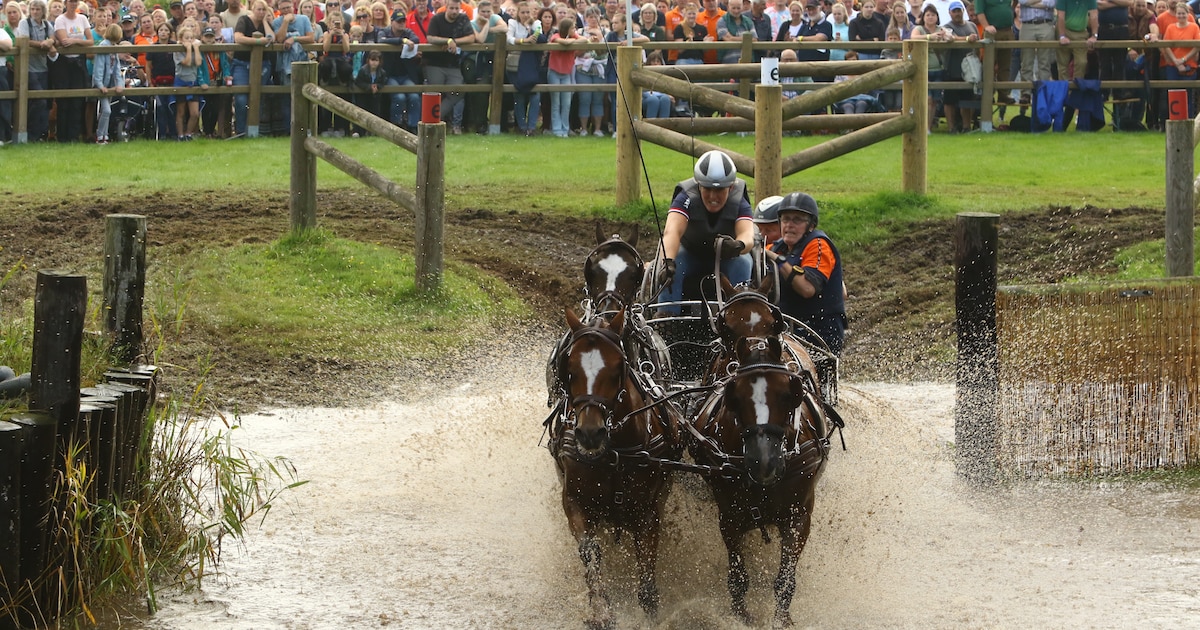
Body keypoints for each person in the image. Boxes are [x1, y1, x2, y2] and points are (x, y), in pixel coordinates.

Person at [655, 149, 754, 313]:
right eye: (707, 189)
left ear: (730, 187)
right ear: (699, 185)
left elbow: (748, 234)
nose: (713, 196)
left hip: (727, 256)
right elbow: (672, 231)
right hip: (690, 253)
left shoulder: (739, 201)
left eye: (720, 190)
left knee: (743, 262)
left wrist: (739, 245)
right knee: (673, 264)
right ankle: (667, 316)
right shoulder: (685, 196)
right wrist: (668, 262)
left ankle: (739, 315)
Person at [763, 192, 846, 359]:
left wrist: (778, 261)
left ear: (811, 225)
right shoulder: (777, 247)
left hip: (820, 332)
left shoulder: (819, 245)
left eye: (797, 220)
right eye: (786, 219)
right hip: (787, 329)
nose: (789, 225)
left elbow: (807, 289)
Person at [424, 0, 475, 135]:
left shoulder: (463, 19)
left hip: (453, 64)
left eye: (456, 9)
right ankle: (431, 122)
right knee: (435, 92)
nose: (454, 11)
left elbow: (471, 37)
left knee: (458, 91)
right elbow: (430, 38)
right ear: (446, 7)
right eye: (451, 8)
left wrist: (454, 42)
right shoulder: (437, 19)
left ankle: (434, 118)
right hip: (434, 63)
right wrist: (447, 41)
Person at [231, 0, 274, 137]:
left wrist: (265, 21)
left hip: (262, 64)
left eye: (263, 10)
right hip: (241, 63)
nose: (261, 12)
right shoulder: (244, 20)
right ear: (253, 9)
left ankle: (254, 131)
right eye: (258, 9)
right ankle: (241, 131)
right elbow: (238, 38)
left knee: (257, 97)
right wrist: (258, 41)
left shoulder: (266, 23)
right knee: (241, 98)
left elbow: (271, 38)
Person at [16, 0, 57, 142]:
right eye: (32, 9)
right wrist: (42, 44)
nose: (35, 12)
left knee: (45, 102)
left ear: (43, 11)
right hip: (28, 68)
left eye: (38, 9)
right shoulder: (24, 23)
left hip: (43, 67)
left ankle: (42, 134)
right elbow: (24, 40)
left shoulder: (46, 24)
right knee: (38, 100)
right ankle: (31, 133)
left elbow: (52, 37)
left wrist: (50, 42)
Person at [54, 0, 94, 142]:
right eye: (70, 1)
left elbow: (90, 41)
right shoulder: (60, 19)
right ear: (66, 3)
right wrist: (74, 41)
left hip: (79, 62)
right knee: (63, 101)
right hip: (64, 63)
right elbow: (64, 41)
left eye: (75, 1)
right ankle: (62, 136)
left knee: (77, 101)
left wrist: (75, 41)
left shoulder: (82, 19)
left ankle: (74, 136)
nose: (73, 4)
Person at [377, 9, 421, 132]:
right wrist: (402, 41)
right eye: (398, 21)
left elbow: (416, 39)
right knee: (399, 97)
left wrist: (406, 40)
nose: (401, 24)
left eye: (403, 21)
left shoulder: (408, 32)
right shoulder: (384, 31)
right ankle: (397, 125)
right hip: (390, 75)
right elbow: (381, 41)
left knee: (414, 96)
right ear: (392, 22)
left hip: (406, 75)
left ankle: (413, 126)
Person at [941, 0, 978, 133]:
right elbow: (949, 37)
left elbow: (978, 43)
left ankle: (966, 126)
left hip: (970, 69)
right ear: (950, 13)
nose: (957, 13)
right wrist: (967, 39)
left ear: (963, 11)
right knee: (949, 100)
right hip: (952, 67)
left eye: (959, 10)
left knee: (967, 99)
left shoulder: (972, 25)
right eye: (954, 11)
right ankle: (951, 128)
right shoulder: (946, 27)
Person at [912, 4, 947, 131]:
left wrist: (947, 37)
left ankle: (928, 127)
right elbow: (913, 37)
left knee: (935, 101)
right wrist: (929, 37)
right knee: (928, 99)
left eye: (933, 15)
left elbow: (951, 37)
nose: (930, 17)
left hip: (938, 69)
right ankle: (922, 126)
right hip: (924, 70)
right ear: (923, 17)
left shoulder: (941, 29)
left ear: (937, 17)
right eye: (928, 15)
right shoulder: (919, 29)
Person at [574, 6, 606, 137]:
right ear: (586, 18)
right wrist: (588, 43)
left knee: (598, 99)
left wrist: (598, 43)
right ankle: (584, 129)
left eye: (596, 16)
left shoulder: (605, 31)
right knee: (585, 98)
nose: (593, 19)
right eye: (590, 17)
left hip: (599, 69)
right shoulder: (579, 32)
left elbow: (604, 52)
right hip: (582, 68)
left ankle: (597, 129)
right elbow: (575, 53)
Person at [93, 23, 124, 144]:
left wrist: (119, 84)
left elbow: (117, 68)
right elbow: (99, 68)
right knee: (106, 110)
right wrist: (100, 85)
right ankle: (100, 135)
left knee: (106, 109)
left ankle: (105, 135)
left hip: (110, 82)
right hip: (103, 83)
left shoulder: (114, 47)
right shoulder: (103, 46)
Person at [546, 17, 577, 137]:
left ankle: (565, 128)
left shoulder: (574, 36)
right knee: (556, 102)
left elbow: (585, 40)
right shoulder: (556, 36)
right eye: (572, 28)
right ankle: (557, 129)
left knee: (566, 103)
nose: (574, 30)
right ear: (566, 29)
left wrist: (573, 40)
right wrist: (572, 41)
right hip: (554, 72)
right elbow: (563, 42)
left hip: (566, 74)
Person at [1056, 0, 1099, 81]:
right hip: (1065, 30)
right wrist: (1062, 36)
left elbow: (1094, 15)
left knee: (1082, 62)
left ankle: (1077, 85)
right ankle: (1064, 86)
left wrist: (1094, 36)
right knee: (1063, 63)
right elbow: (1060, 16)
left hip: (1081, 32)